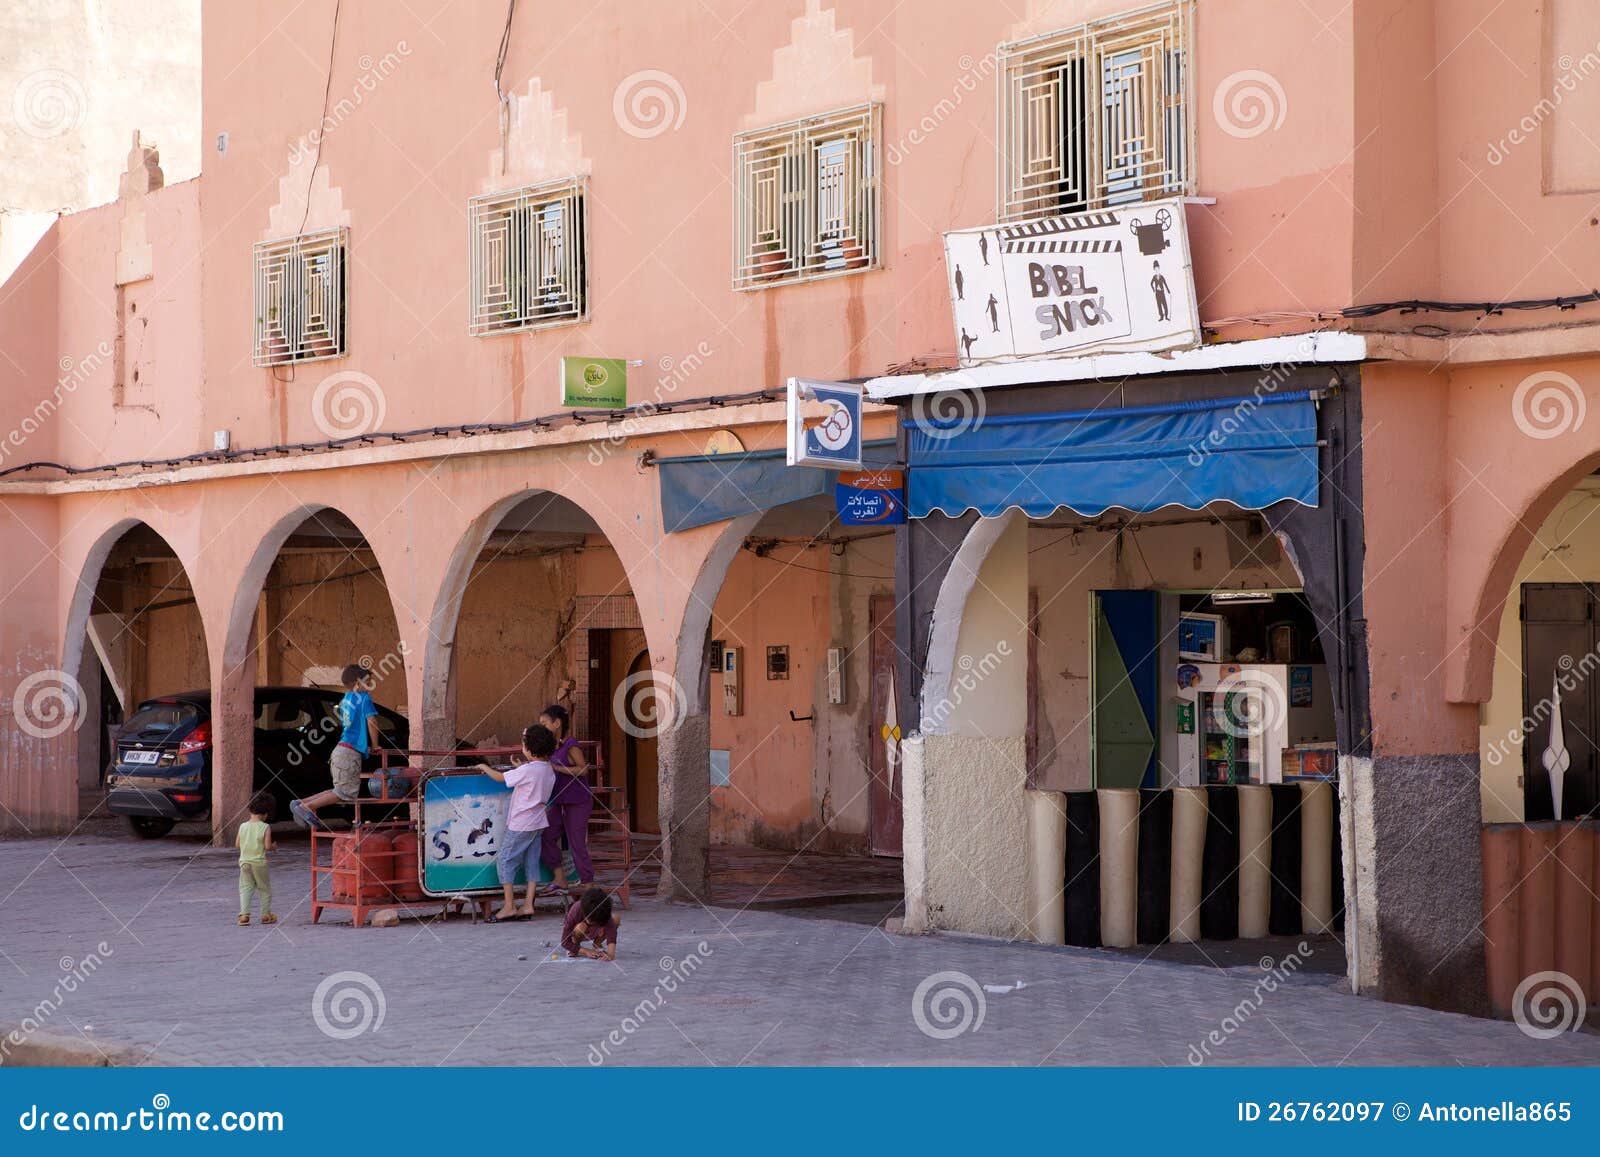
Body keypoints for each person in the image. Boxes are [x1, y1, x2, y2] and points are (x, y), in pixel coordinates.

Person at [475, 723, 557, 922]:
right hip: (538, 823)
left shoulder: (528, 770)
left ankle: (509, 906)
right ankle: (528, 904)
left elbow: (499, 777)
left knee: (505, 860)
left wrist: (484, 766)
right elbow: (533, 778)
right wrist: (521, 768)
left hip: (521, 824)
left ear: (529, 748)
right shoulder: (548, 769)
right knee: (531, 861)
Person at [292, 663, 380, 830]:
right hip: (350, 753)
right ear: (357, 683)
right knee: (345, 793)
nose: (370, 686)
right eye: (367, 682)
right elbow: (372, 722)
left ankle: (301, 803)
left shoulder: (346, 699)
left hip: (340, 750)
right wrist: (376, 745)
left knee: (338, 790)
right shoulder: (364, 698)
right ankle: (307, 807)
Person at [538, 703, 594, 895]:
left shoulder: (570, 745)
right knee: (546, 836)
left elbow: (583, 769)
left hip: (577, 802)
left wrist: (558, 768)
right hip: (558, 801)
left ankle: (588, 885)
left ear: (557, 723)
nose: (542, 727)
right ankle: (560, 878)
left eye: (544, 723)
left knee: (576, 842)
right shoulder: (550, 747)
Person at [236, 793, 277, 926]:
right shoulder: (265, 827)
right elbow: (267, 846)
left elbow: (237, 844)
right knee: (264, 888)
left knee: (245, 888)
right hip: (259, 863)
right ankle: (265, 914)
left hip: (244, 862)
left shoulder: (242, 826)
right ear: (266, 813)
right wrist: (273, 847)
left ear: (249, 809)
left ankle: (244, 915)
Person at [561, 886, 619, 960]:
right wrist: (586, 951)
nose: (594, 924)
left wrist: (611, 954)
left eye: (596, 922)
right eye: (591, 921)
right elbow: (565, 942)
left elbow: (611, 933)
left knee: (615, 918)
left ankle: (597, 944)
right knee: (581, 926)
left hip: (597, 932)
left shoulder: (604, 910)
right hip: (578, 932)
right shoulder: (576, 909)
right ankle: (575, 946)